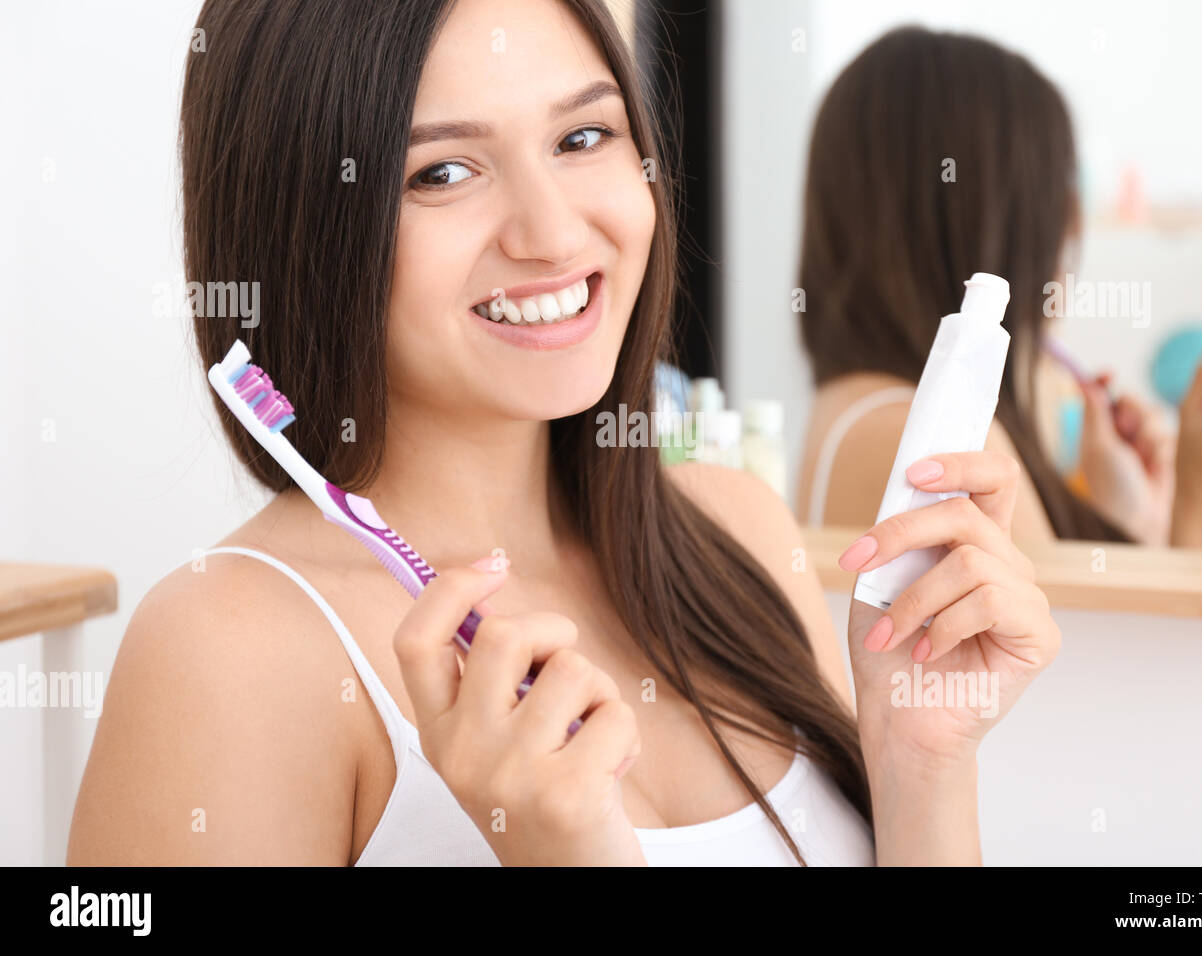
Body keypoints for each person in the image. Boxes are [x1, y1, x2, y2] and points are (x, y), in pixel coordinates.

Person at [68, 0, 1058, 866]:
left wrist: (919, 765)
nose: (550, 232)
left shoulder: (738, 531)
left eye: (582, 137)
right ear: (300, 224)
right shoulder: (228, 648)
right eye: (444, 170)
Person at [795, 26, 1202, 550]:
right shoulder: (946, 442)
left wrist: (1129, 523)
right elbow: (1108, 638)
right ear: (1003, 231)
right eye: (1056, 195)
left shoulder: (866, 407)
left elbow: (1069, 626)